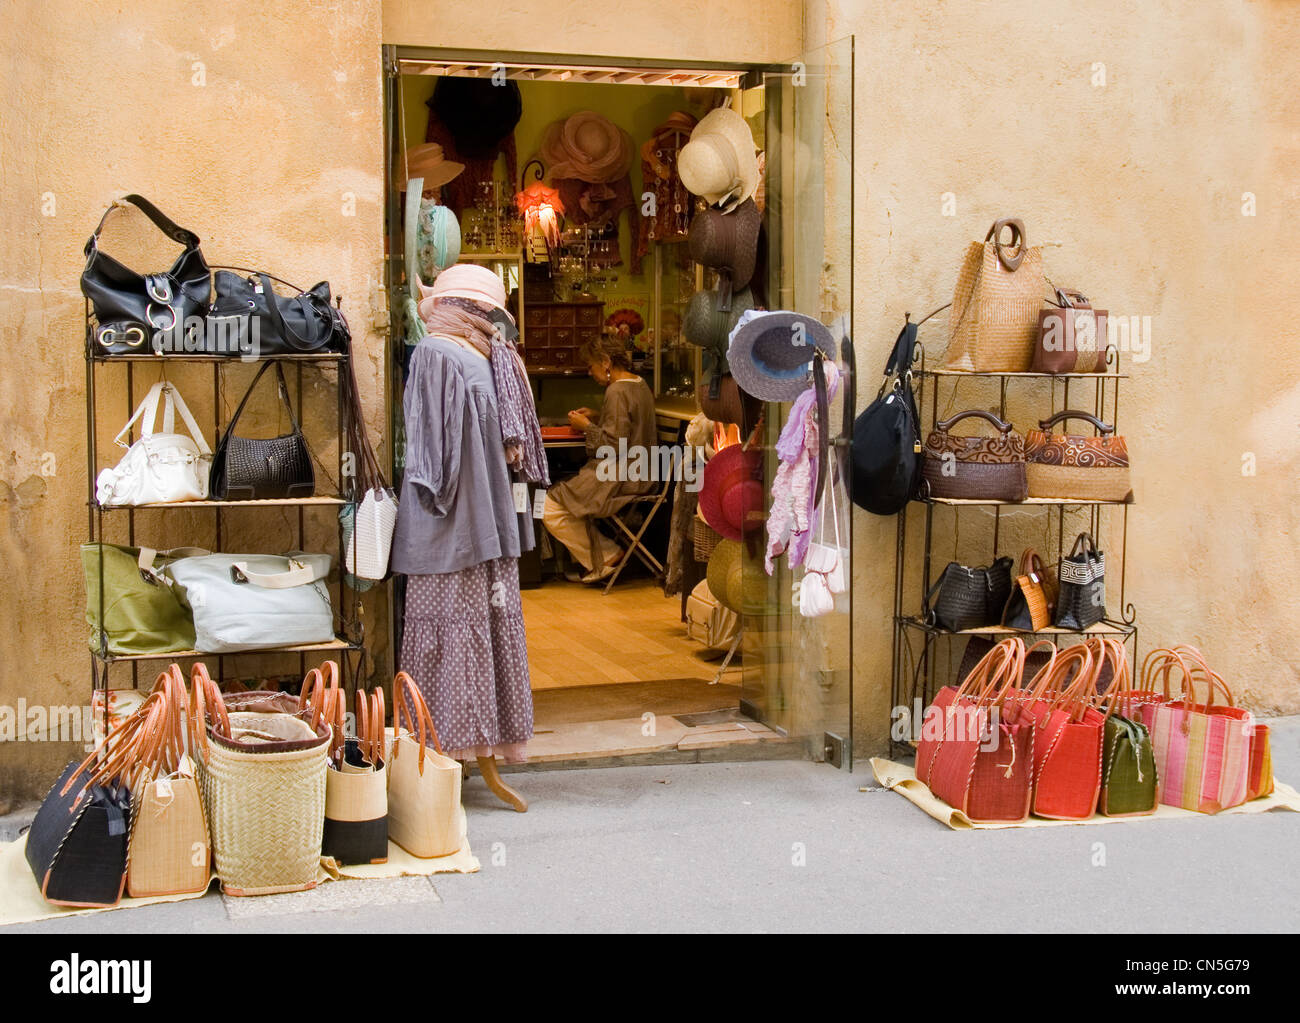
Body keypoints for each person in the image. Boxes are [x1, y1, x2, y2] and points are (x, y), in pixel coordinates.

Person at [543, 335, 657, 583]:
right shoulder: (639, 384)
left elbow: (614, 445)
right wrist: (596, 417)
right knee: (563, 499)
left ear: (605, 362)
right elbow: (626, 428)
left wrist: (586, 427)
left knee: (547, 506)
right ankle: (597, 556)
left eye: (591, 365)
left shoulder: (616, 391)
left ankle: (606, 555)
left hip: (621, 476)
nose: (590, 372)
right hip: (644, 471)